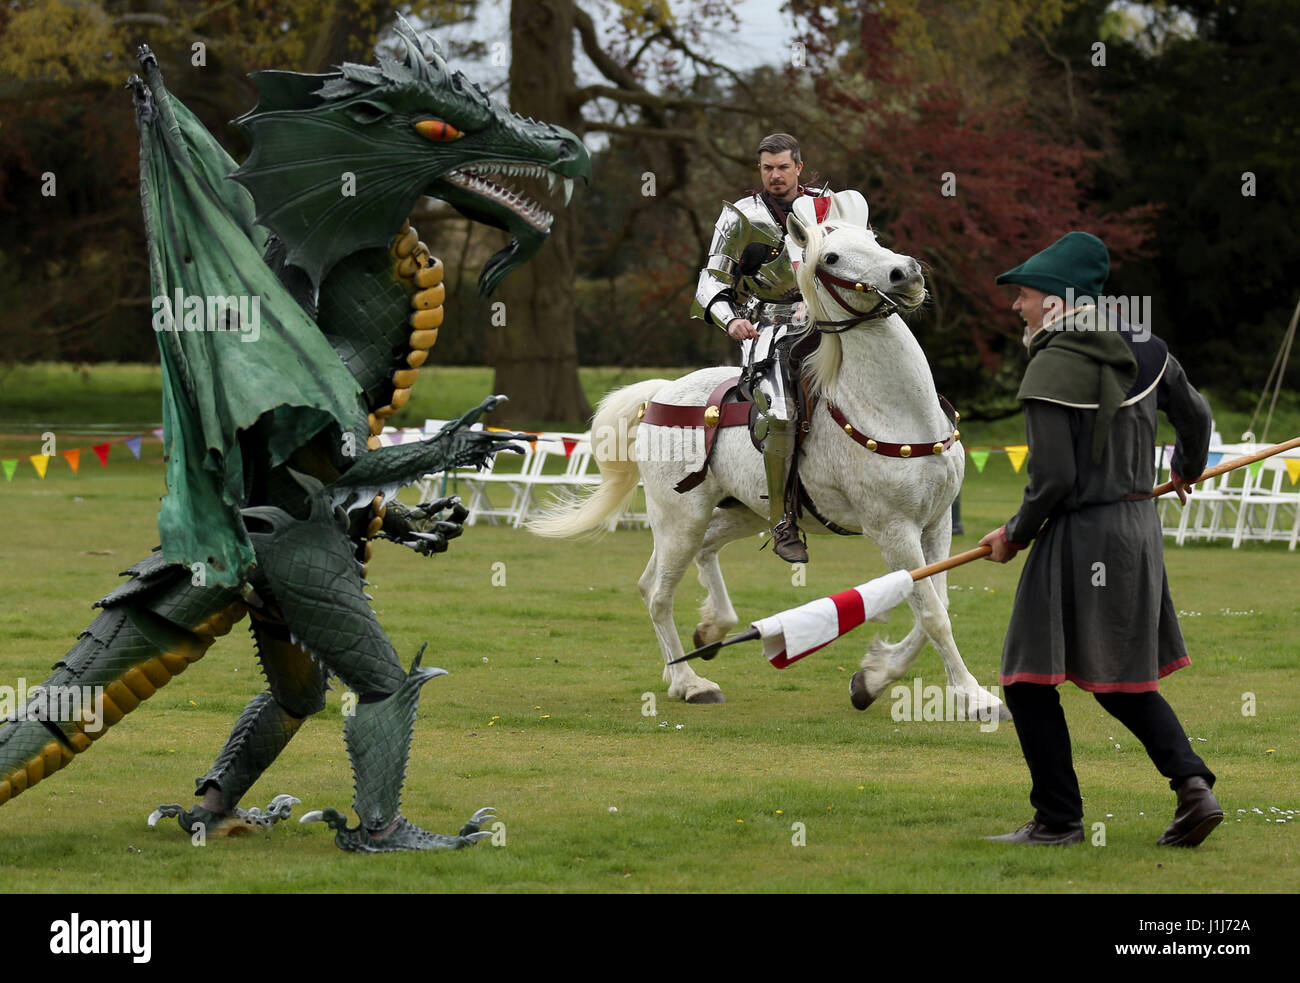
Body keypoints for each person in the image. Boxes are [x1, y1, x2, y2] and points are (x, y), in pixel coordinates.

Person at [977, 231, 1224, 847]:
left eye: (1026, 295)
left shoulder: (1052, 364)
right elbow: (1195, 416)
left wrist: (1014, 533)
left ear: (1057, 301)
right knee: (1124, 677)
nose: (1018, 307)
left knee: (1027, 678)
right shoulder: (1150, 348)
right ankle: (1194, 788)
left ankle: (1058, 820)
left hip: (1082, 535)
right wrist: (1187, 469)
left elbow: (1055, 478)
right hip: (1138, 531)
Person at [690, 132, 829, 563]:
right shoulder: (739, 217)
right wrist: (730, 319)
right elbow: (710, 281)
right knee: (783, 416)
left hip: (830, 322)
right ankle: (784, 520)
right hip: (767, 331)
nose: (775, 175)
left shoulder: (828, 207)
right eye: (767, 168)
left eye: (783, 167)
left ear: (799, 167)